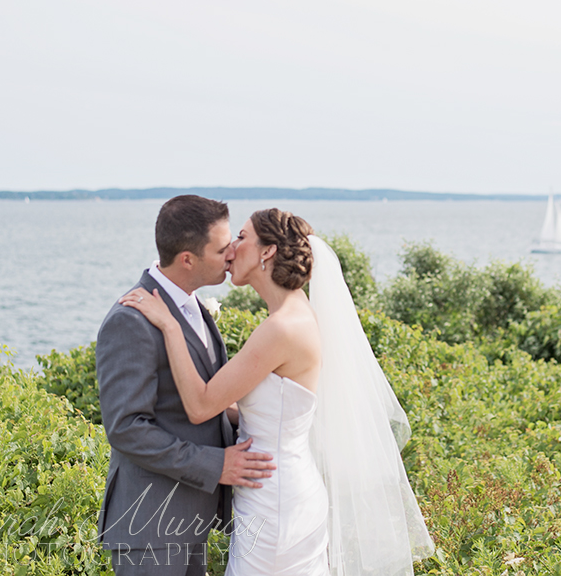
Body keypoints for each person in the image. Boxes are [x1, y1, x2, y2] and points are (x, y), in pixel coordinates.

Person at [121, 208, 434, 576]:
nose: (232, 248)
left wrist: (171, 326)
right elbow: (272, 408)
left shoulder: (282, 328)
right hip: (278, 491)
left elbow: (201, 405)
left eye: (242, 237)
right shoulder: (292, 315)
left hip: (276, 501)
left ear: (267, 251)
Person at [96, 195, 276, 576]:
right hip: (149, 526)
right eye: (222, 249)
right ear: (187, 259)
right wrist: (216, 465)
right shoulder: (130, 321)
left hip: (189, 522)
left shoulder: (192, 307)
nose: (232, 254)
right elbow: (126, 429)